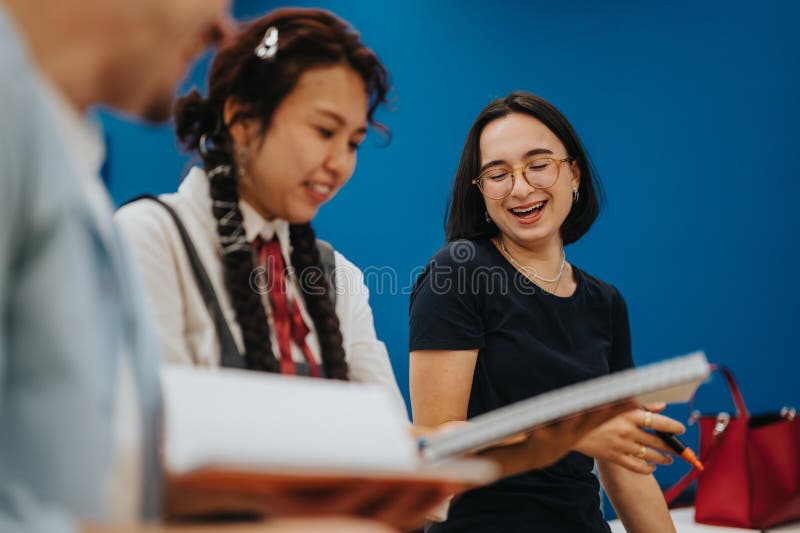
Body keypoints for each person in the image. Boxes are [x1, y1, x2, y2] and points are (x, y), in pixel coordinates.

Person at [0, 1, 395, 532]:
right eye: (324, 131)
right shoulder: (148, 234)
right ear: (241, 118)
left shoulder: (337, 275)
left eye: (354, 143)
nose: (340, 163)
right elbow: (139, 461)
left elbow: (391, 431)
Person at [409, 91, 685, 533]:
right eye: (497, 174)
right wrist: (572, 430)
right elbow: (432, 448)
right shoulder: (458, 272)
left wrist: (609, 433)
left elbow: (624, 467)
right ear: (481, 192)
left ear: (574, 173)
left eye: (538, 165)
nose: (520, 188)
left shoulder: (605, 302)